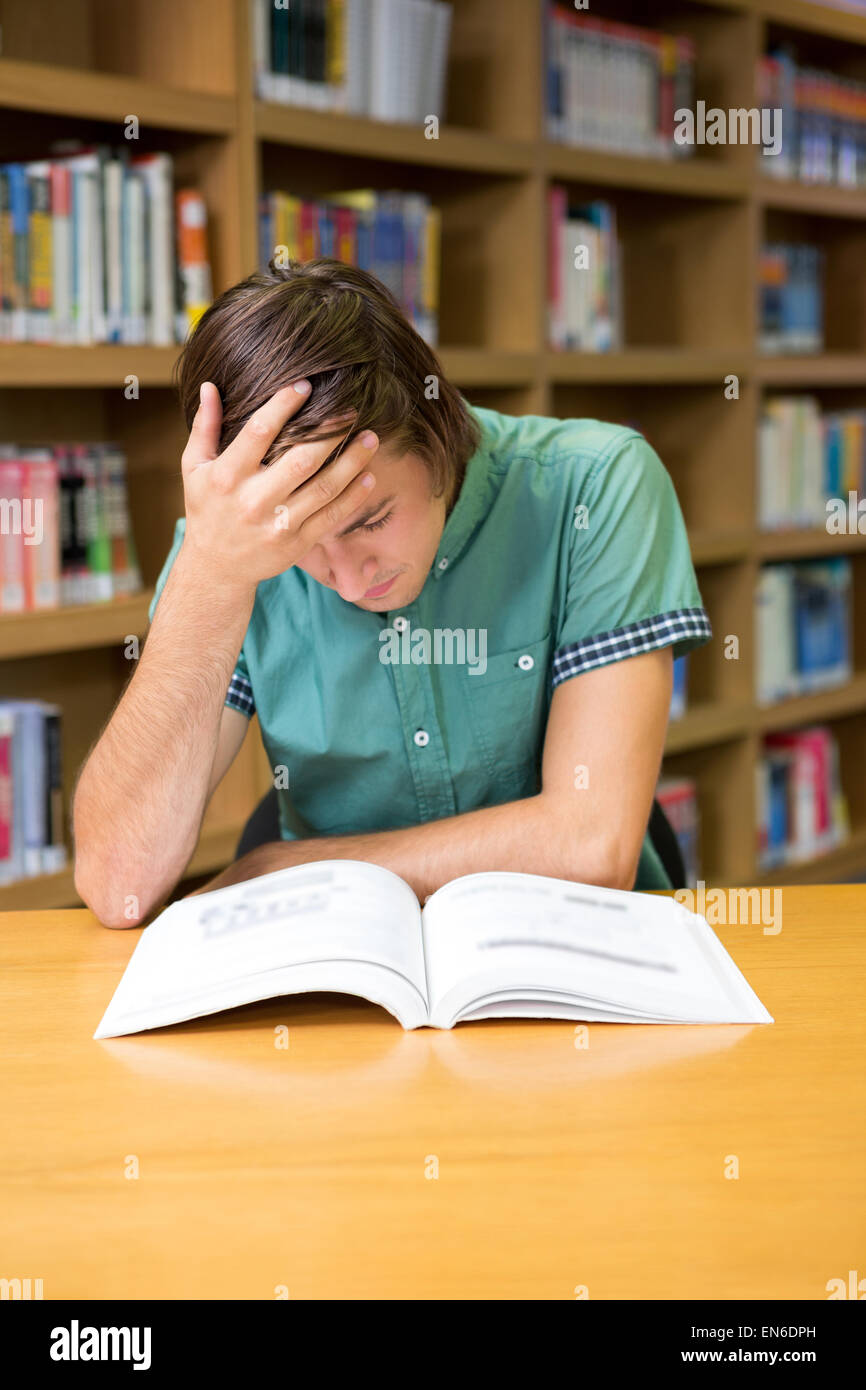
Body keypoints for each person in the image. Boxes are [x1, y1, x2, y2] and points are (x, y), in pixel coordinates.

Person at [72, 259, 712, 927]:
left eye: (370, 521)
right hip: (341, 967)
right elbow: (122, 882)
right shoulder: (232, 541)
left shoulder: (596, 485)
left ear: (439, 438)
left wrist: (304, 865)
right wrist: (209, 576)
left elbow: (592, 844)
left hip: (576, 950)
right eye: (300, 548)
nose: (349, 582)